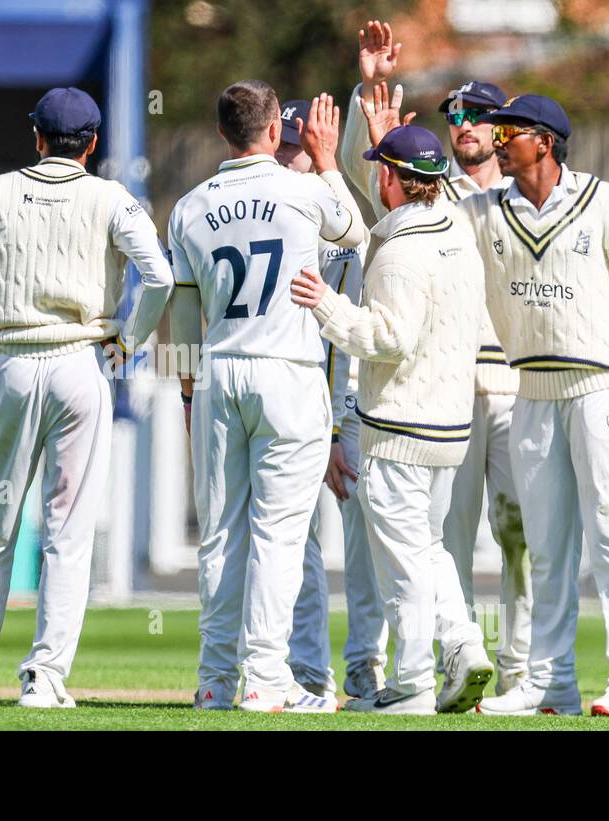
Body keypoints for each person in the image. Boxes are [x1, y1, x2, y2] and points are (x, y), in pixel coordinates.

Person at [0, 87, 173, 709]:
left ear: (36, 136)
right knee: (67, 532)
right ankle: (45, 679)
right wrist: (126, 343)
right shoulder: (112, 197)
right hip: (82, 366)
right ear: (92, 143)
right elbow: (159, 275)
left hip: (10, 366)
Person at [451, 95, 609, 716]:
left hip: (602, 391)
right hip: (530, 392)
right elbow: (407, 204)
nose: (496, 141)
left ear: (545, 141)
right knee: (547, 545)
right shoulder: (482, 211)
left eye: (509, 132)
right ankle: (550, 682)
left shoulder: (602, 202)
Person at [167, 82, 367, 713]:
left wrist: (188, 390)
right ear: (276, 130)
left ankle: (215, 680)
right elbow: (356, 231)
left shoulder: (190, 206)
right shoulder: (305, 190)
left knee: (221, 533)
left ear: (222, 132)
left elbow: (182, 309)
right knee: (279, 535)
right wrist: (330, 159)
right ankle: (266, 681)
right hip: (289, 370)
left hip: (220, 370)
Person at [291, 124, 494, 715]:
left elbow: (387, 338)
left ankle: (409, 685)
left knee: (401, 560)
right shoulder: (457, 230)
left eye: (379, 166)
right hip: (449, 426)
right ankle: (461, 642)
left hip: (402, 428)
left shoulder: (400, 253)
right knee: (428, 547)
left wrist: (326, 305)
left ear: (389, 178)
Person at [275, 98, 384, 703]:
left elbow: (348, 340)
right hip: (287, 404)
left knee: (366, 548)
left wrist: (337, 433)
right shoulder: (267, 216)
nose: (291, 156)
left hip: (346, 408)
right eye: (285, 145)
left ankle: (365, 667)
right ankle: (305, 670)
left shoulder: (345, 227)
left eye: (302, 146)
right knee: (293, 546)